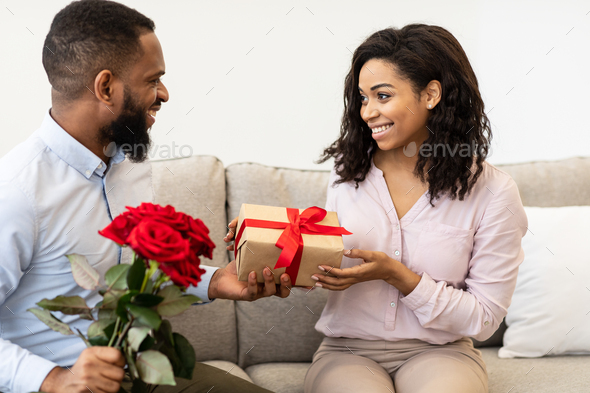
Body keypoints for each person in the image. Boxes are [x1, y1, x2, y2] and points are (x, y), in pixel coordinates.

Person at [0, 1, 292, 392]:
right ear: (106, 87)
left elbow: (132, 275)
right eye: (153, 80)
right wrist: (53, 380)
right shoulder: (16, 191)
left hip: (141, 372)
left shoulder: (129, 163)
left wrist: (215, 281)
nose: (165, 94)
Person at [303, 25, 528, 393]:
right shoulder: (347, 172)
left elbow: (485, 319)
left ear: (431, 94)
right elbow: (327, 262)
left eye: (383, 96)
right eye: (362, 98)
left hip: (442, 353)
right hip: (348, 352)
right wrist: (284, 253)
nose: (368, 112)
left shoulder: (493, 192)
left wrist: (400, 277)